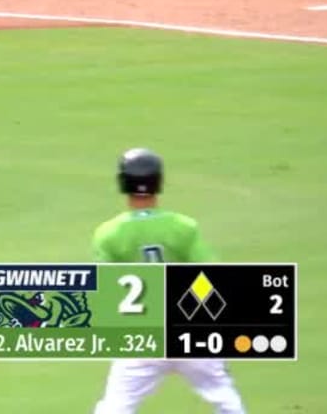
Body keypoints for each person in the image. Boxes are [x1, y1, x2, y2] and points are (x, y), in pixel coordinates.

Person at [90, 148, 249, 414]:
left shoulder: (108, 234)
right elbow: (212, 277)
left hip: (140, 335)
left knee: (115, 408)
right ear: (159, 182)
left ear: (122, 182)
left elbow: (105, 292)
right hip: (191, 331)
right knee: (225, 400)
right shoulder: (183, 227)